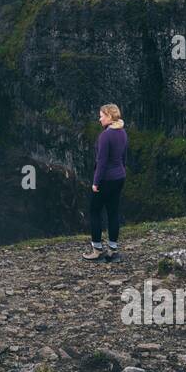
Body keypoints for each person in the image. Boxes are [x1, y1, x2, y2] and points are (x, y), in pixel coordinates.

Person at [83, 104, 128, 262]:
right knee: (113, 213)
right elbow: (124, 157)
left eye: (101, 115)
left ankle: (97, 250)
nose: (99, 118)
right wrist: (121, 171)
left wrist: (95, 182)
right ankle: (113, 251)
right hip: (119, 177)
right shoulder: (122, 132)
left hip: (106, 179)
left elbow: (101, 162)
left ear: (109, 116)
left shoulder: (105, 136)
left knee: (94, 211)